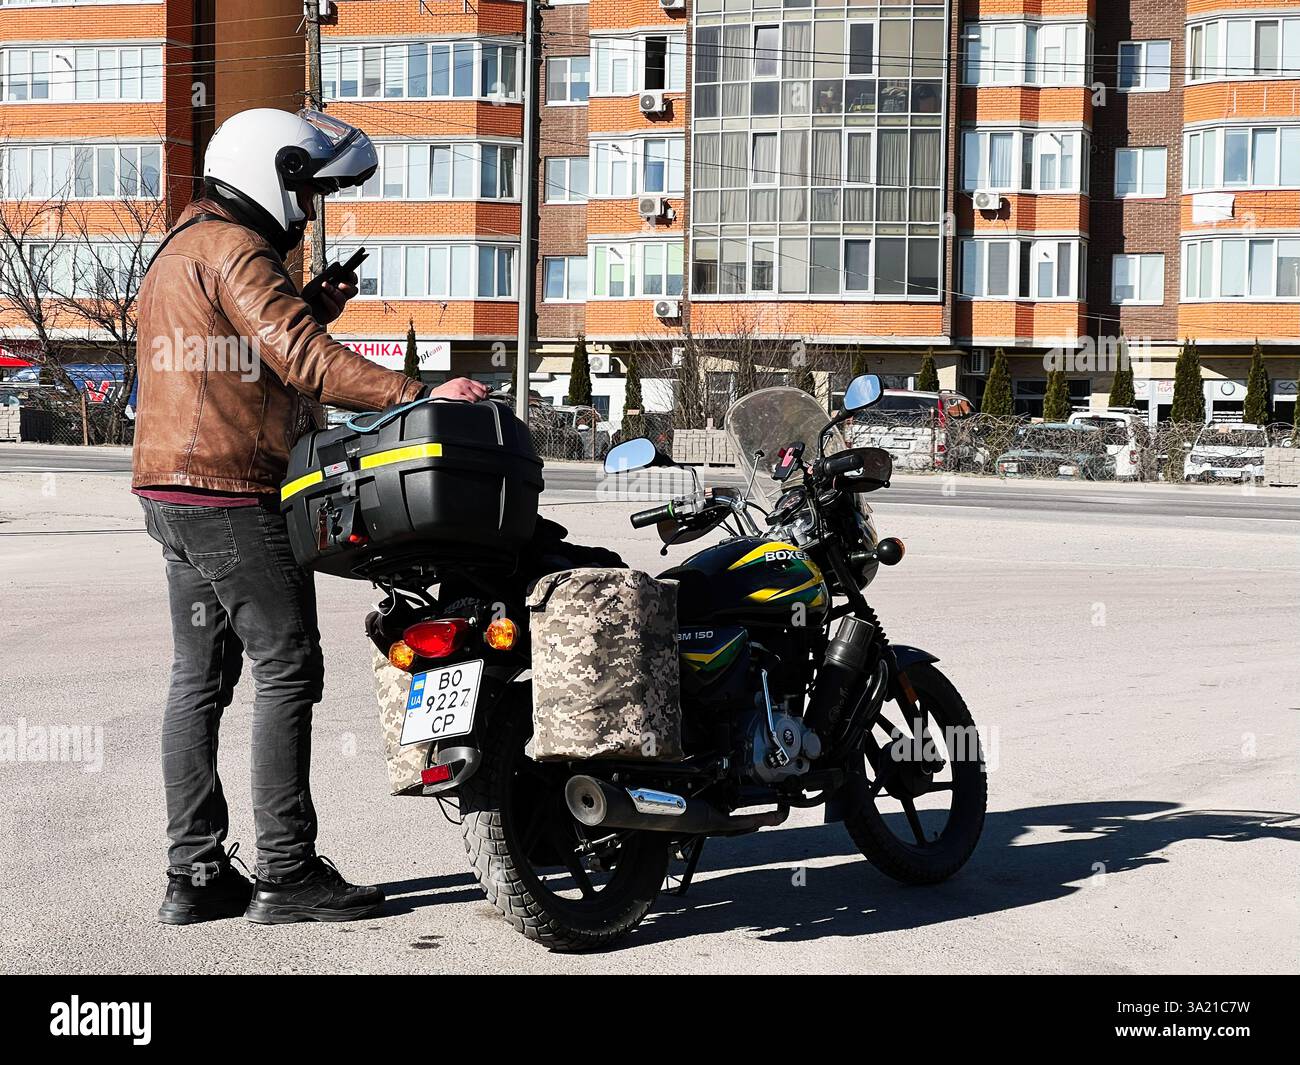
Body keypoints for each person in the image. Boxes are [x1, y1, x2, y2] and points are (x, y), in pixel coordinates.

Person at [132, 108, 487, 925]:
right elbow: (302, 362)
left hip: (170, 490)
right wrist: (420, 392)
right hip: (231, 490)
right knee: (288, 667)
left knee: (199, 680)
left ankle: (193, 874)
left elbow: (235, 352)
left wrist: (309, 305)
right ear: (268, 171)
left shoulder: (184, 243)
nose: (307, 206)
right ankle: (286, 872)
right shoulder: (238, 249)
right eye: (302, 186)